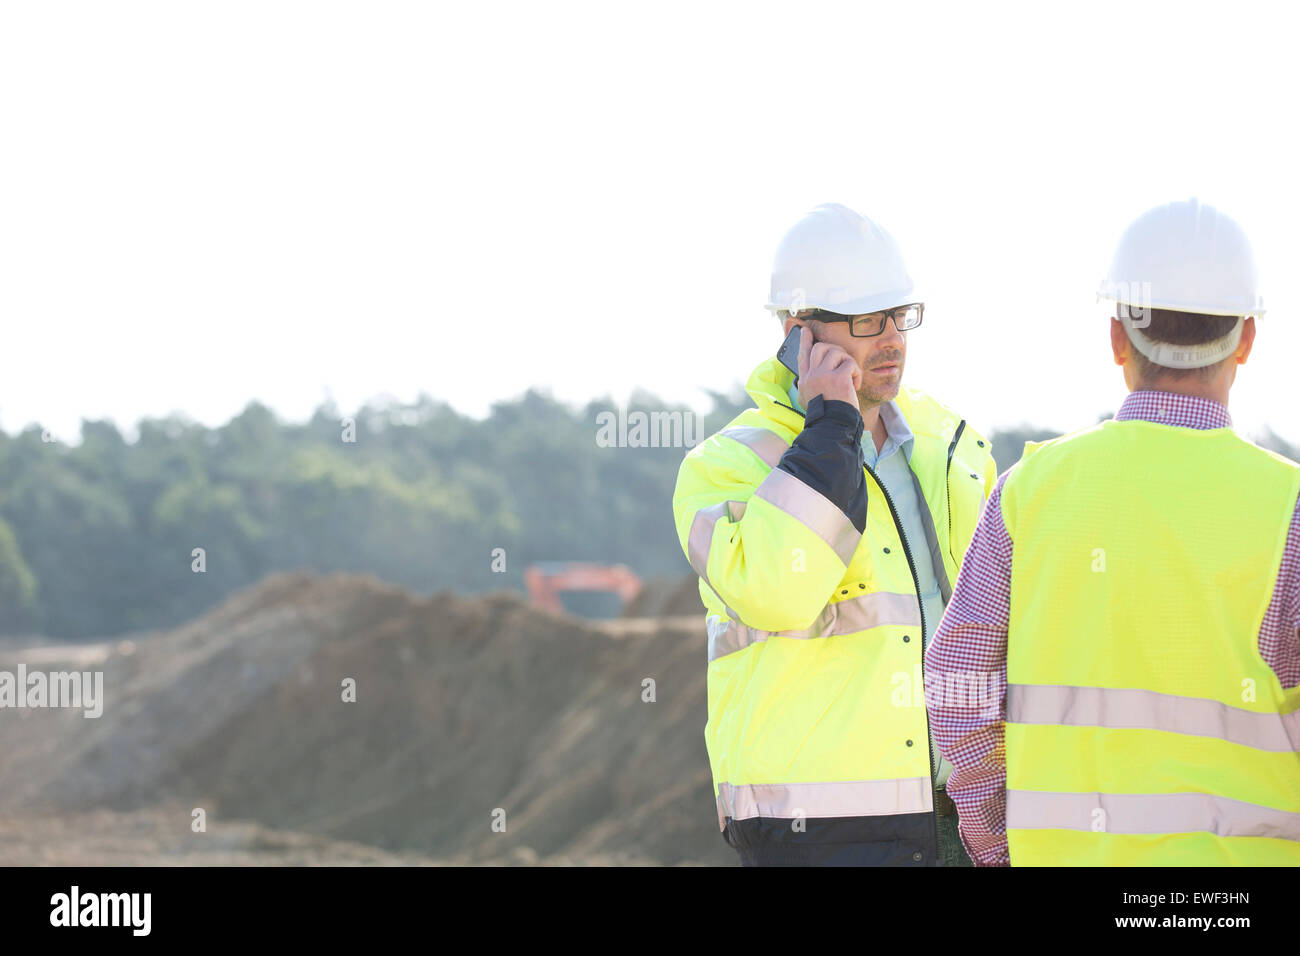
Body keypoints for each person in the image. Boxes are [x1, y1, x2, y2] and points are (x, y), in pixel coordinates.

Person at [925, 198, 1300, 865]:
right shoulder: (1288, 510)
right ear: (1247, 339)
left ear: (1116, 337)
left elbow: (957, 682)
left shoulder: (1028, 493)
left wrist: (997, 842)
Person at [671, 203, 996, 865]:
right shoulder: (726, 467)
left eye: (900, 317)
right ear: (798, 335)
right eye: (867, 322)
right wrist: (830, 429)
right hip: (820, 829)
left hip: (959, 815)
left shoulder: (949, 448)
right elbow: (777, 589)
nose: (893, 339)